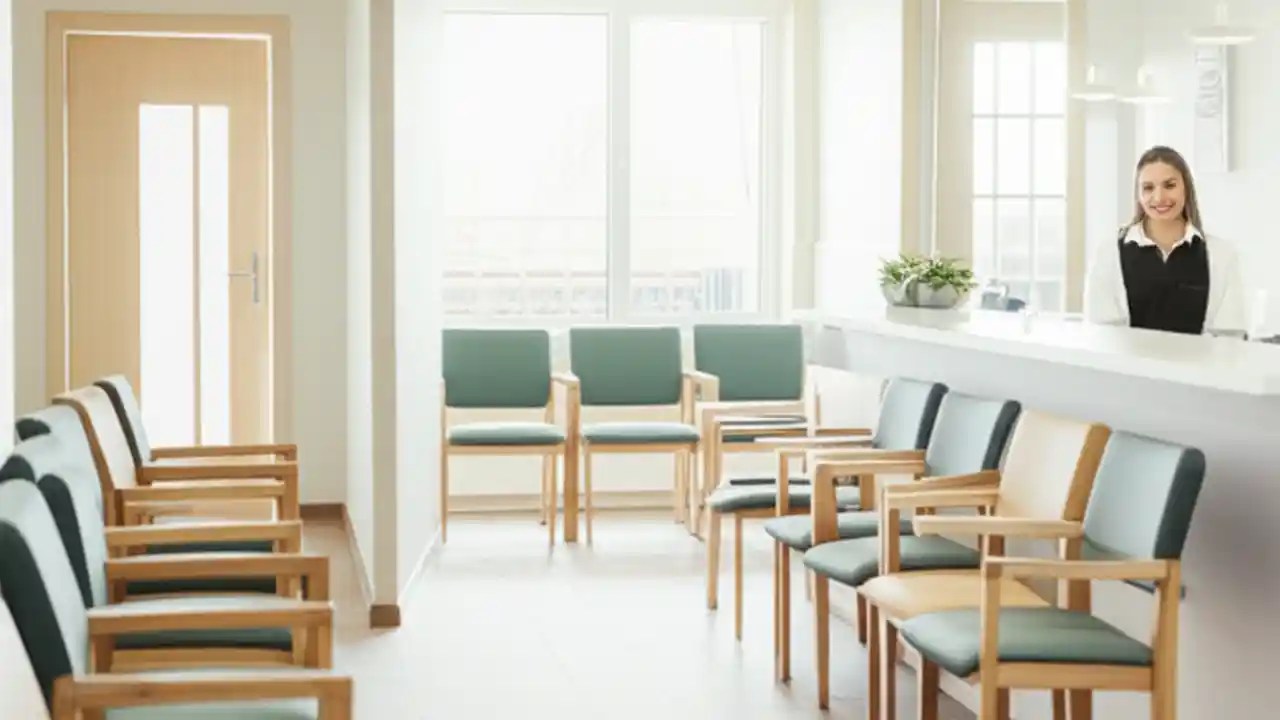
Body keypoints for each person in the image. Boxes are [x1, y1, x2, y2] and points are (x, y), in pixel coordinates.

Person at [1084, 145, 1246, 335]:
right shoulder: (1109, 252)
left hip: (1199, 364)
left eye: (1170, 185)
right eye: (1148, 188)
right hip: (1126, 365)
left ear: (1186, 187)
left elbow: (1229, 337)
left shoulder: (1221, 254)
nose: (1159, 197)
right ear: (1138, 194)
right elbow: (1101, 332)